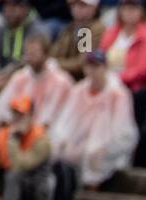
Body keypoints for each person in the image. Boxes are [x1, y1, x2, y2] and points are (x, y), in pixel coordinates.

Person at [50, 50, 139, 189]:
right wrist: (62, 140)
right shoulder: (78, 91)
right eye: (89, 66)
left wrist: (106, 147)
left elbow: (124, 130)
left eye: (97, 66)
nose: (93, 71)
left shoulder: (118, 94)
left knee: (94, 155)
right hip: (79, 142)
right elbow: (65, 120)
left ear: (105, 68)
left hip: (106, 146)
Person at [0, 32, 72, 127]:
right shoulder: (20, 77)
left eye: (34, 52)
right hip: (17, 130)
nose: (30, 56)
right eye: (28, 52)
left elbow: (51, 119)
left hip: (44, 135)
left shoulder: (60, 81)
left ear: (46, 54)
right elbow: (0, 111)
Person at [100, 0, 146, 97]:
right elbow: (100, 57)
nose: (129, 11)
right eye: (126, 7)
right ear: (120, 10)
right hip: (106, 81)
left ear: (141, 11)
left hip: (132, 88)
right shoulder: (110, 32)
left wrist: (116, 78)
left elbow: (143, 69)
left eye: (134, 8)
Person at [0, 0, 41, 96]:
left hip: (25, 73)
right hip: (1, 74)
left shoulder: (36, 30)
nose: (9, 10)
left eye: (14, 6)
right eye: (7, 6)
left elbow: (29, 59)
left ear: (25, 8)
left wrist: (9, 74)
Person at [48, 0, 103, 79]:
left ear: (94, 8)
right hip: (65, 77)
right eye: (73, 5)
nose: (76, 9)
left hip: (82, 80)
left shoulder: (95, 29)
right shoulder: (69, 28)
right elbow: (54, 53)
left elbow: (81, 63)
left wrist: (55, 64)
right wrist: (49, 62)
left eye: (82, 5)